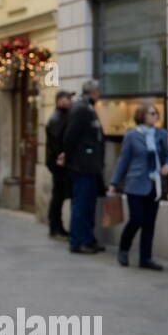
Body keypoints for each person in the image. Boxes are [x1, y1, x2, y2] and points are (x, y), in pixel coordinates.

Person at [110, 101, 168, 270]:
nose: (155, 116)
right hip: (135, 184)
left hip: (155, 185)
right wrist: (114, 183)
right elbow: (123, 161)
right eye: (151, 113)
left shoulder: (162, 134)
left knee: (149, 223)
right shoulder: (132, 135)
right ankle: (123, 250)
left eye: (156, 113)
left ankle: (146, 258)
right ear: (142, 116)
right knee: (136, 219)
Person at [63, 79, 107, 254]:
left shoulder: (88, 108)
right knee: (81, 205)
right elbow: (70, 137)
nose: (100, 94)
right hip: (82, 166)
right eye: (98, 91)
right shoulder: (81, 109)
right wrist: (70, 159)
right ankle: (78, 241)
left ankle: (88, 239)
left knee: (88, 205)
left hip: (90, 166)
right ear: (93, 92)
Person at [45, 91, 74, 239]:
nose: (70, 101)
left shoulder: (62, 116)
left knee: (60, 195)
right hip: (58, 163)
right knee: (58, 196)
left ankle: (57, 226)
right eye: (67, 98)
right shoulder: (58, 117)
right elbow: (57, 141)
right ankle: (54, 227)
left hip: (59, 162)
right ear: (59, 101)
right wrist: (61, 155)